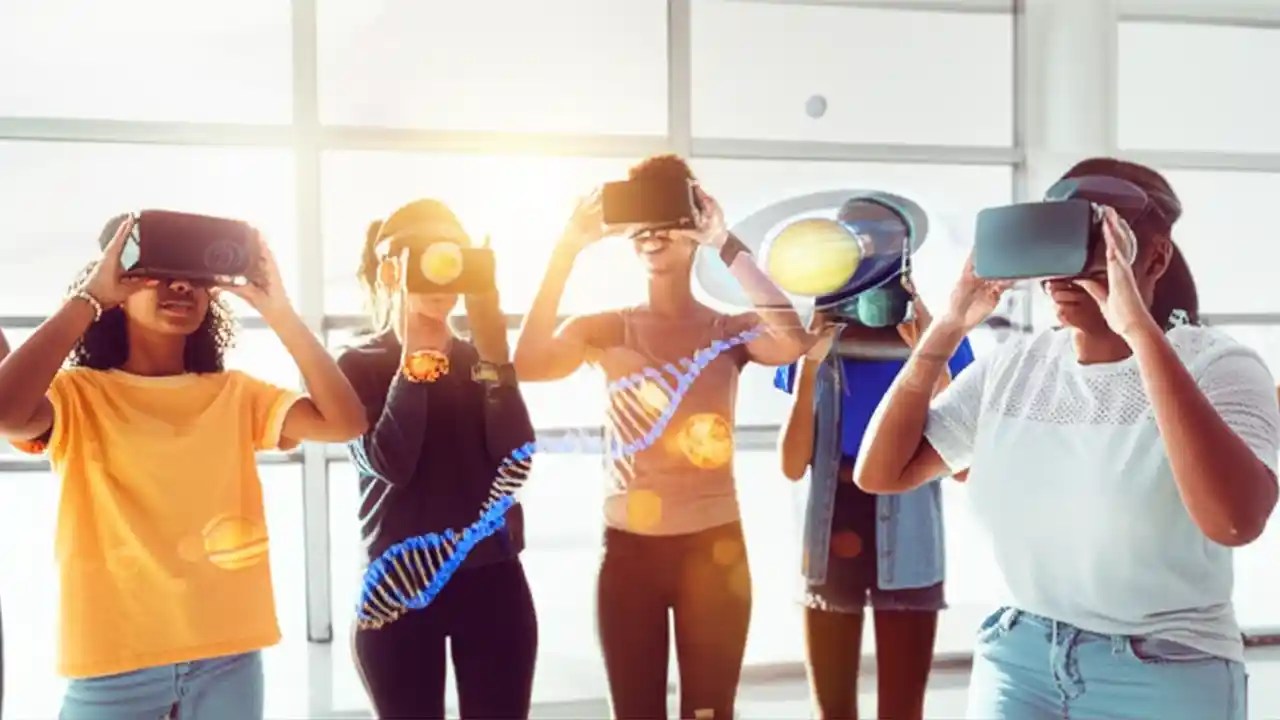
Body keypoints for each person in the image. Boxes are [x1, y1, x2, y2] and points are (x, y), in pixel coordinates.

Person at [854, 158, 1280, 720]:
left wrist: (1137, 328)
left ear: (1153, 257)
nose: (1064, 270)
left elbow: (1234, 520)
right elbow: (881, 473)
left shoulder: (1220, 366)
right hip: (1020, 659)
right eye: (1057, 242)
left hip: (1166, 670)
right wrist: (951, 322)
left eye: (1092, 244)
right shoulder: (1015, 368)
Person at [0, 214, 368, 719]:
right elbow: (5, 413)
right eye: (159, 271)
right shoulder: (76, 395)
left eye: (197, 277)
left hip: (227, 656)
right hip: (113, 661)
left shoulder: (236, 395)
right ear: (118, 283)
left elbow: (344, 421)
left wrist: (280, 312)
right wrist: (89, 298)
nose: (180, 286)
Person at [515, 154, 811, 720]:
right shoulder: (606, 328)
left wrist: (726, 240)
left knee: (710, 713)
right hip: (629, 553)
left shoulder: (727, 331)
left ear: (692, 227)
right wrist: (567, 248)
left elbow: (791, 340)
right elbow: (527, 363)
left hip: (713, 550)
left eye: (668, 222)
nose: (653, 238)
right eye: (642, 227)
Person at [776, 195, 975, 720]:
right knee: (833, 711)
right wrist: (809, 366)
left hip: (910, 531)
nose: (870, 257)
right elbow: (793, 466)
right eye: (856, 242)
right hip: (829, 532)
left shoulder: (934, 337)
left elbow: (962, 466)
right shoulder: (817, 338)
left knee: (902, 711)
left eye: (885, 245)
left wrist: (930, 351)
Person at [337, 199, 538, 720]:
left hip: (492, 578)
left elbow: (516, 458)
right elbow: (390, 462)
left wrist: (495, 353)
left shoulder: (481, 359)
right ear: (390, 270)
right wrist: (416, 364)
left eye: (454, 258)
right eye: (422, 257)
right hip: (398, 584)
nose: (441, 273)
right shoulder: (358, 364)